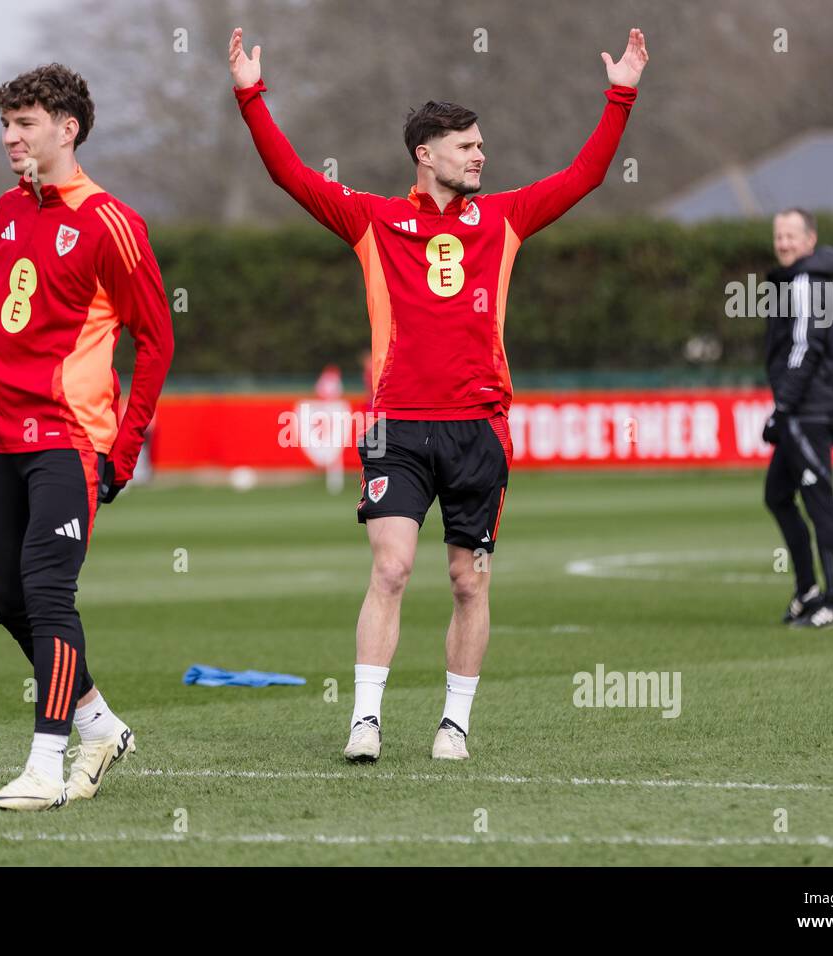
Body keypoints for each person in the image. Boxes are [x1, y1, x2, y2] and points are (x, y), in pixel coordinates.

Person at [228, 27, 648, 761]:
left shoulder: (506, 218)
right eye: (465, 146)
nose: (479, 155)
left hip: (479, 430)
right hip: (397, 426)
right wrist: (250, 96)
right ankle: (365, 719)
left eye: (480, 144)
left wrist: (622, 95)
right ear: (425, 156)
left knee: (467, 580)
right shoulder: (372, 221)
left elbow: (584, 176)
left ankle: (454, 722)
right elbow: (290, 176)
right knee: (390, 567)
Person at [0, 63, 174, 809]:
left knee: (49, 596)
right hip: (5, 442)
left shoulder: (111, 222)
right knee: (8, 601)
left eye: (24, 124)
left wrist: (122, 451)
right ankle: (100, 726)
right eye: (5, 124)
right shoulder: (5, 211)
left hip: (71, 441)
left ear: (69, 128)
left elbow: (156, 341)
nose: (10, 137)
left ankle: (45, 767)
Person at [762, 208, 833, 629]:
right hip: (802, 408)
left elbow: (806, 348)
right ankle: (808, 592)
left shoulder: (808, 281)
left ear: (810, 240)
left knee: (820, 504)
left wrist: (782, 408)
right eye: (779, 235)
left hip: (808, 411)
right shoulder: (802, 279)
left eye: (791, 236)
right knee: (778, 495)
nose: (783, 243)